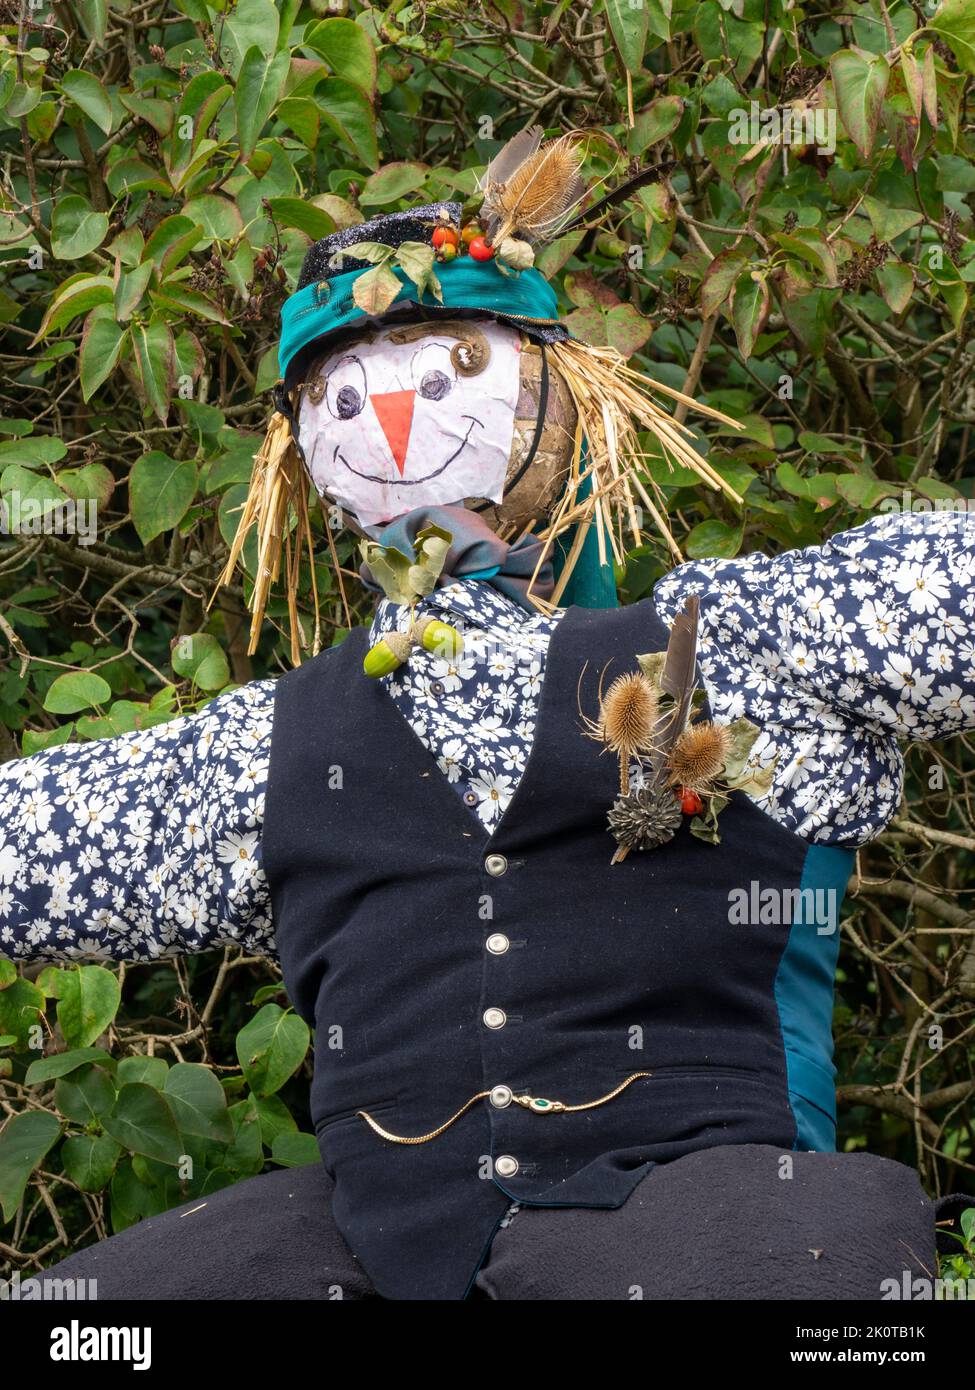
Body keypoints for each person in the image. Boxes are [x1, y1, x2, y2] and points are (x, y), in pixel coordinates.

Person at [1, 133, 971, 1300]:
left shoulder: (747, 646)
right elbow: (38, 841)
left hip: (720, 1236)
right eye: (346, 397)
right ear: (303, 451)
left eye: (453, 365)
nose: (399, 423)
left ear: (564, 398)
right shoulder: (260, 755)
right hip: (370, 1249)